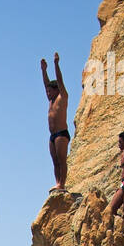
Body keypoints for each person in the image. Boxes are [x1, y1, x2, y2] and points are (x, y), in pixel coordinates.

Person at [41, 52, 70, 190]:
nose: (48, 94)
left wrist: (56, 64)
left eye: (50, 91)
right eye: (47, 92)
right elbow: (46, 83)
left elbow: (59, 81)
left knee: (61, 159)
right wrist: (43, 70)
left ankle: (62, 184)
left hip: (61, 133)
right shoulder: (51, 101)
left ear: (56, 90)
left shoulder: (62, 96)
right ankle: (57, 181)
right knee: (55, 161)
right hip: (52, 135)